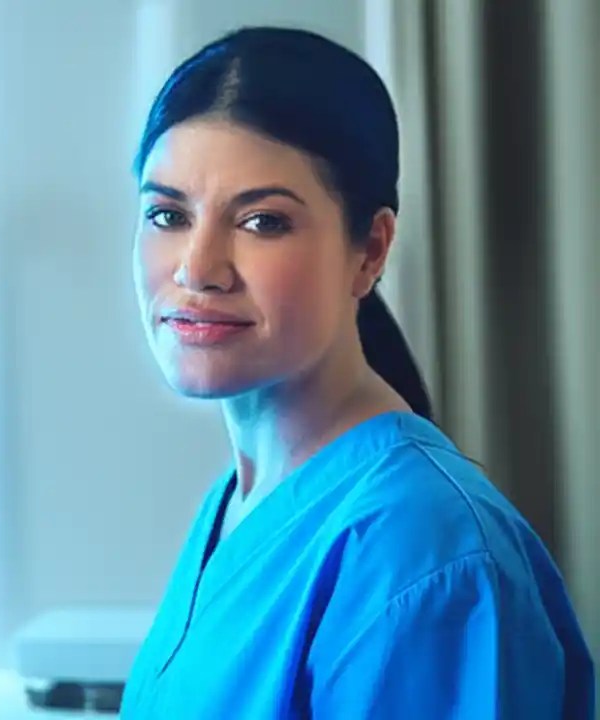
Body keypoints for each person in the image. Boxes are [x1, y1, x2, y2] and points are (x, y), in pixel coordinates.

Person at [119, 26, 594, 718]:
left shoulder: (424, 552)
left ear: (371, 249)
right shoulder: (240, 502)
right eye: (167, 214)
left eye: (261, 223)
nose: (197, 268)